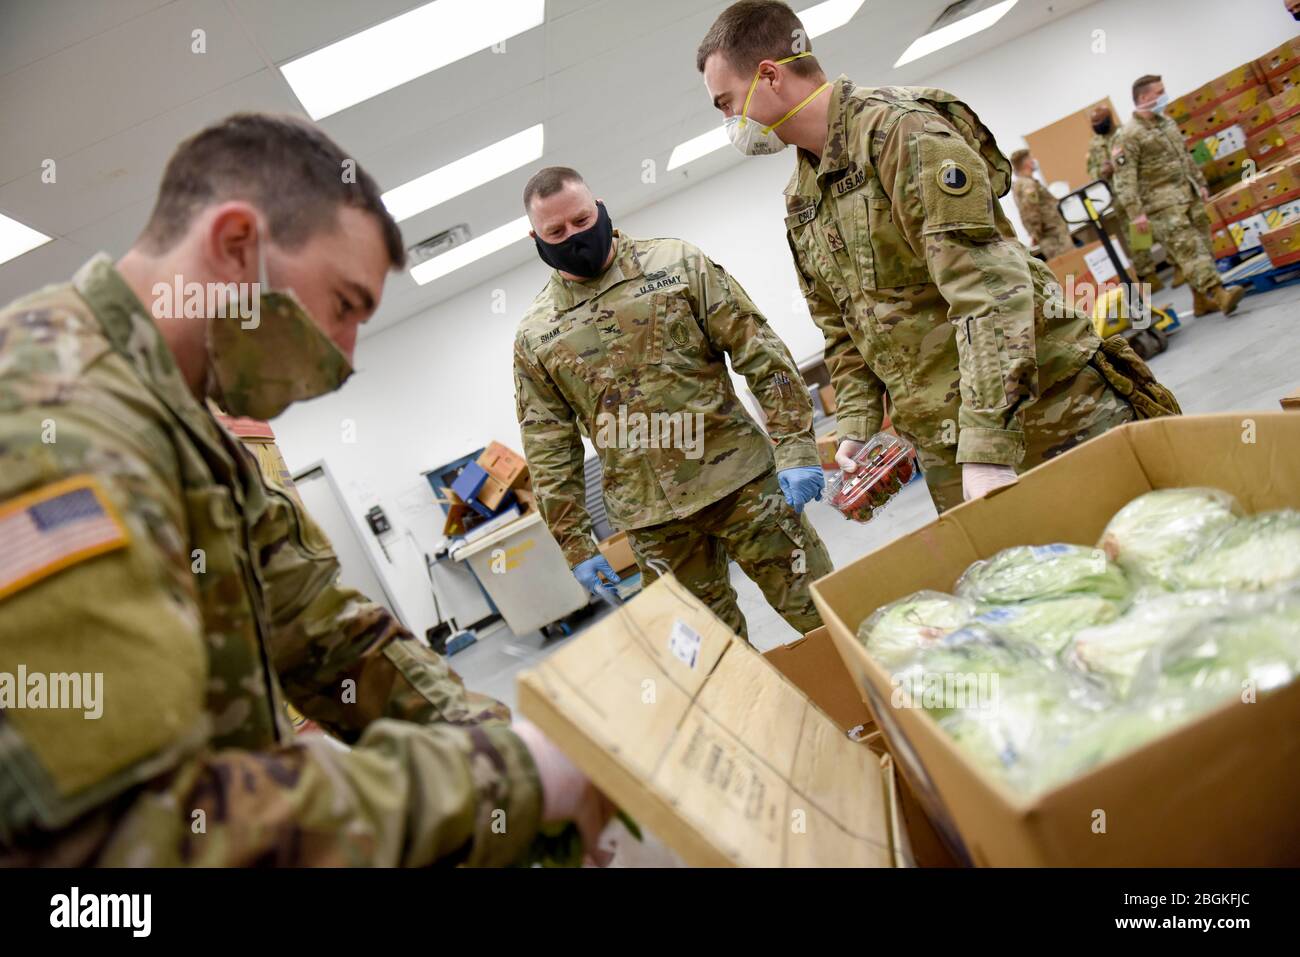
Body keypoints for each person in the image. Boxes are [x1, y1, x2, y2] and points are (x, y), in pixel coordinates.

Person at [0, 113, 609, 866]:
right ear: (233, 247)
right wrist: (501, 785)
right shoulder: (53, 423)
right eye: (344, 305)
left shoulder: (188, 429)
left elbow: (327, 638)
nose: (346, 356)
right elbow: (127, 837)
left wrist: (504, 750)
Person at [694, 1, 1179, 514]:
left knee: (1145, 551)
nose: (729, 121)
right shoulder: (802, 195)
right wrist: (856, 429)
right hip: (947, 442)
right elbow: (844, 329)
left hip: (1046, 410)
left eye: (726, 103)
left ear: (769, 76)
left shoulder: (902, 133)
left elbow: (989, 294)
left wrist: (988, 445)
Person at [513, 167, 833, 641]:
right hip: (652, 519)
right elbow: (548, 450)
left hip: (743, 482)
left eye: (581, 221)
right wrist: (577, 545)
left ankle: (883, 708)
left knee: (824, 612)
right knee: (713, 659)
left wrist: (797, 446)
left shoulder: (677, 264)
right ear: (535, 237)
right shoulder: (537, 334)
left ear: (598, 206)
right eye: (556, 232)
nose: (574, 237)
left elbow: (760, 353)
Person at [1112, 75, 1247, 317]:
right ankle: (1220, 295)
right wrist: (1136, 214)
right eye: (1159, 92)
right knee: (1190, 250)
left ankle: (1200, 301)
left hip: (1189, 195)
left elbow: (1184, 156)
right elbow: (1124, 180)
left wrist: (1201, 184)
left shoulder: (1166, 123)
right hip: (1162, 206)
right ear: (1144, 97)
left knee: (1203, 249)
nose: (1164, 95)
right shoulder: (1127, 135)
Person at [1085, 105, 1161, 290]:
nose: (1098, 126)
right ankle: (1149, 274)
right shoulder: (1095, 145)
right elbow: (1091, 171)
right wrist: (1102, 171)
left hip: (1140, 190)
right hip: (1118, 197)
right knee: (1135, 236)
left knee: (1158, 227)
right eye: (1094, 123)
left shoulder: (1126, 134)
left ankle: (1177, 266)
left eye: (1100, 122)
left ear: (1110, 119)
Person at [1009, 149, 1075, 260]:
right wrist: (1036, 233)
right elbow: (1030, 210)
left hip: (1053, 235)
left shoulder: (1023, 184)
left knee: (1070, 268)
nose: (1033, 161)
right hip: (1053, 236)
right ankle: (1071, 279)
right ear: (1027, 163)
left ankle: (1071, 278)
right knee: (1070, 267)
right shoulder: (1027, 185)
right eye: (1031, 159)